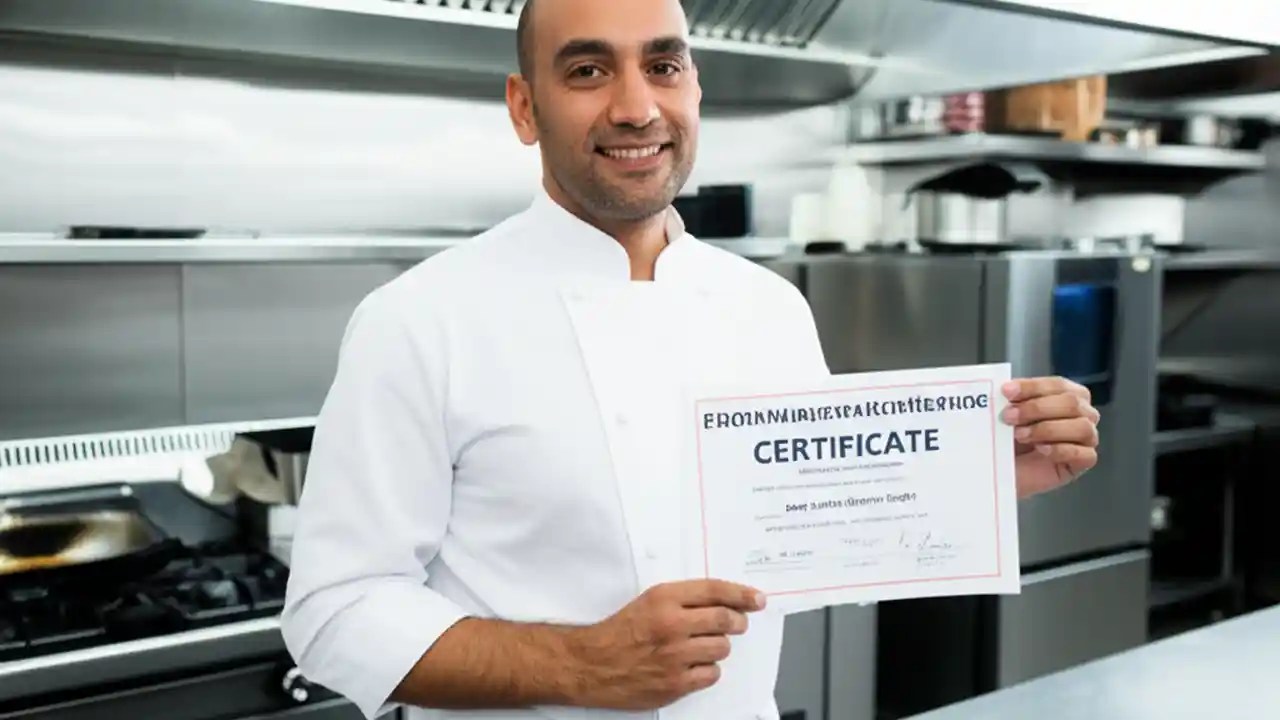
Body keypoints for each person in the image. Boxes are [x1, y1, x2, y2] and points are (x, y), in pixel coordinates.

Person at [280, 0, 1101, 718]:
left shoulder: (768, 306)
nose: (637, 107)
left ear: (694, 88)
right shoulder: (420, 319)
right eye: (589, 70)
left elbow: (821, 537)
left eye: (663, 65)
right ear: (524, 108)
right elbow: (334, 612)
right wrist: (582, 666)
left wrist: (979, 477)